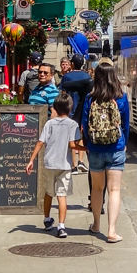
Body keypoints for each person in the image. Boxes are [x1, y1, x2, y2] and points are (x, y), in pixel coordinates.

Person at [81, 63, 130, 243]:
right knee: (114, 190)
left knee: (97, 188)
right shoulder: (121, 98)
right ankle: (111, 231)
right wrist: (124, 143)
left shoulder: (90, 98)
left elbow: (85, 124)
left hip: (95, 149)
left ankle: (95, 224)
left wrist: (89, 142)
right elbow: (126, 124)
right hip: (116, 147)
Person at [25, 91, 82, 239]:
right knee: (61, 195)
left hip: (49, 163)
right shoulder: (73, 124)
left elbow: (40, 142)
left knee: (49, 193)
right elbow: (72, 144)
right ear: (70, 108)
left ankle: (46, 219)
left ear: (55, 107)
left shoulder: (49, 123)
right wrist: (85, 148)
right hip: (64, 165)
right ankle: (61, 226)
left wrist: (31, 160)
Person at [60, 54, 93, 122]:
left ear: (72, 64)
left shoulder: (66, 77)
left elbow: (63, 94)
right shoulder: (88, 76)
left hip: (70, 111)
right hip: (84, 109)